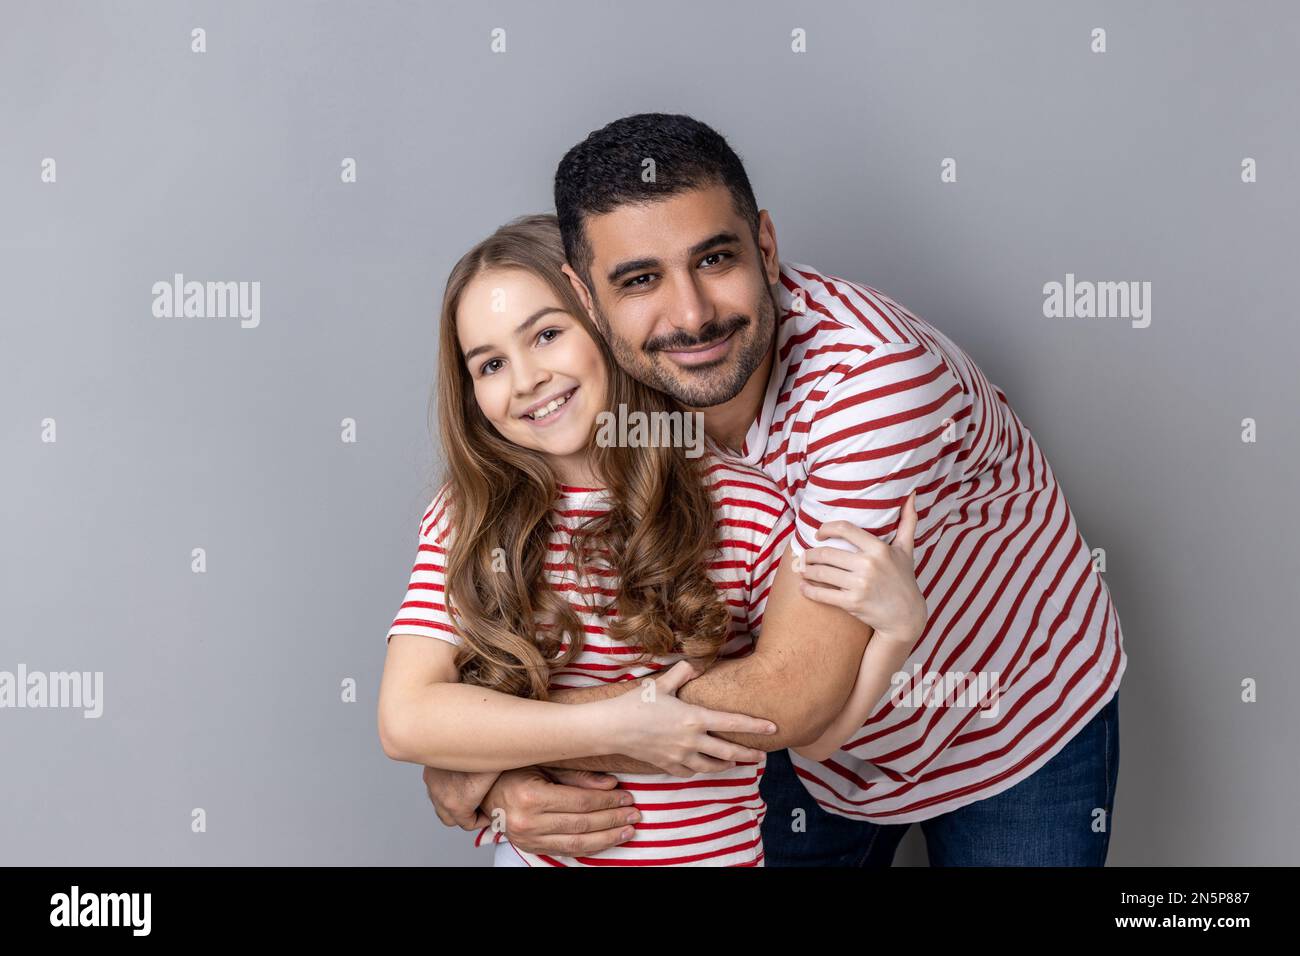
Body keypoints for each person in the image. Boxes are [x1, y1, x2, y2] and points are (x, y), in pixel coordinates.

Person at [425, 113, 1126, 867]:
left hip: (997, 713)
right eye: (639, 280)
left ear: (765, 246)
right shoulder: (613, 377)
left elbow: (795, 690)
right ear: (586, 296)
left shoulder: (875, 387)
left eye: (715, 258)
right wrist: (497, 762)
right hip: (785, 743)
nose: (691, 316)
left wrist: (492, 744)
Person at [379, 214, 926, 866]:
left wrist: (897, 633)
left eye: (547, 335)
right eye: (491, 364)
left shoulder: (746, 508)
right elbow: (406, 718)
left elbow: (811, 734)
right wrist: (618, 724)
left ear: (606, 321)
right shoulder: (469, 516)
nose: (525, 379)